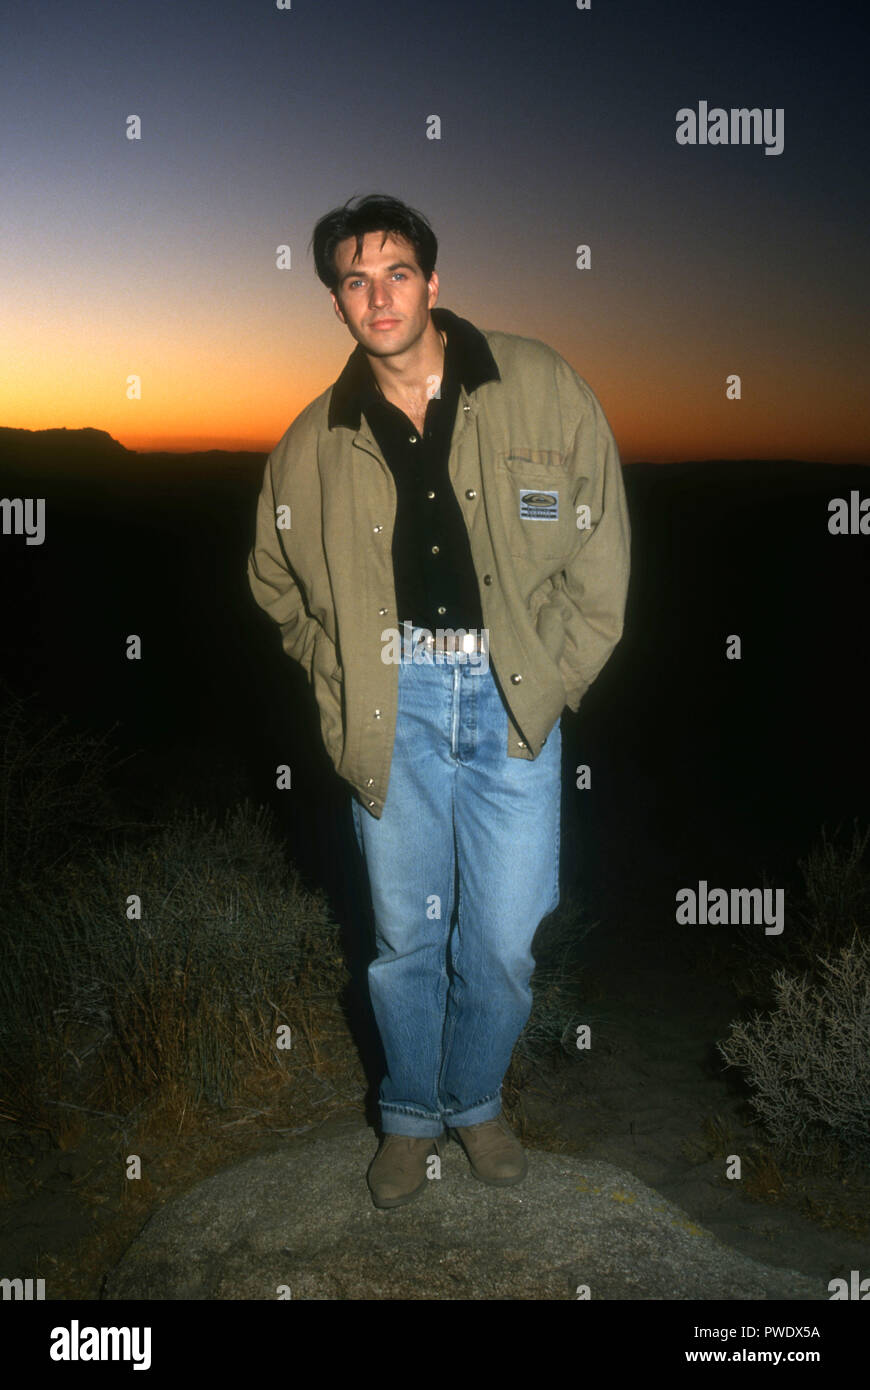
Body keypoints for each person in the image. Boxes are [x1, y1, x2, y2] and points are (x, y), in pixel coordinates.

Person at [247, 193, 631, 1209]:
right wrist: (340, 679)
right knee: (406, 938)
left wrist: (556, 680)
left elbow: (601, 544)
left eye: (397, 272)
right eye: (355, 280)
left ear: (434, 282)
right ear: (337, 301)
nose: (378, 296)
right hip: (395, 703)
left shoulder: (538, 385)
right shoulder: (311, 441)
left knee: (503, 937)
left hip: (512, 700)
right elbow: (273, 582)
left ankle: (477, 1097)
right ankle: (413, 1113)